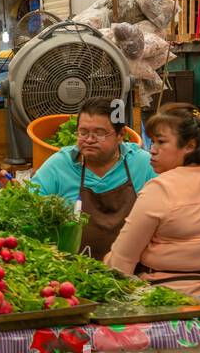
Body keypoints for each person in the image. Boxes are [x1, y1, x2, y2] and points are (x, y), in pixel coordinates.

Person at [106, 104, 200, 324]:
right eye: (152, 142)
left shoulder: (160, 188)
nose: (152, 149)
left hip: (183, 310)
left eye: (161, 142)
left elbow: (122, 262)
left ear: (190, 145)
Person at [33, 97, 156, 259]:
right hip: (72, 270)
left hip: (133, 268)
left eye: (100, 133)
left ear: (121, 135)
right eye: (83, 132)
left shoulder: (142, 164)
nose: (89, 140)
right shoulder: (60, 165)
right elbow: (31, 206)